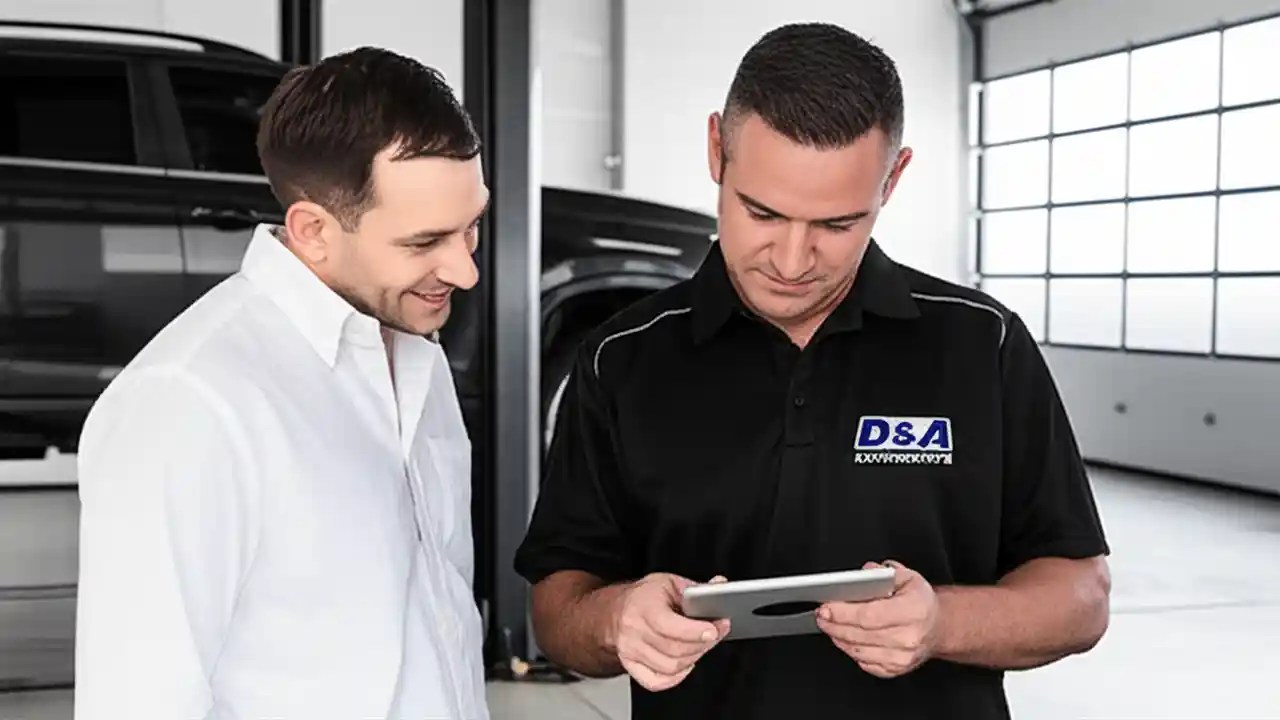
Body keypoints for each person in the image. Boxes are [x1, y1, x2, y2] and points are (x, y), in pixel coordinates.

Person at [515, 22, 1110, 720]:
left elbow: (1081, 597)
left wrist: (941, 623)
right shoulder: (622, 357)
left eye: (835, 224)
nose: (792, 261)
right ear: (717, 149)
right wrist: (617, 619)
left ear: (894, 177)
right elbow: (557, 611)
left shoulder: (983, 343)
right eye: (761, 213)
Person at [74, 47, 490, 720]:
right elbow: (139, 702)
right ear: (313, 232)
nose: (466, 271)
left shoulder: (418, 360)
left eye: (472, 227)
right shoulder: (189, 403)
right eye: (424, 242)